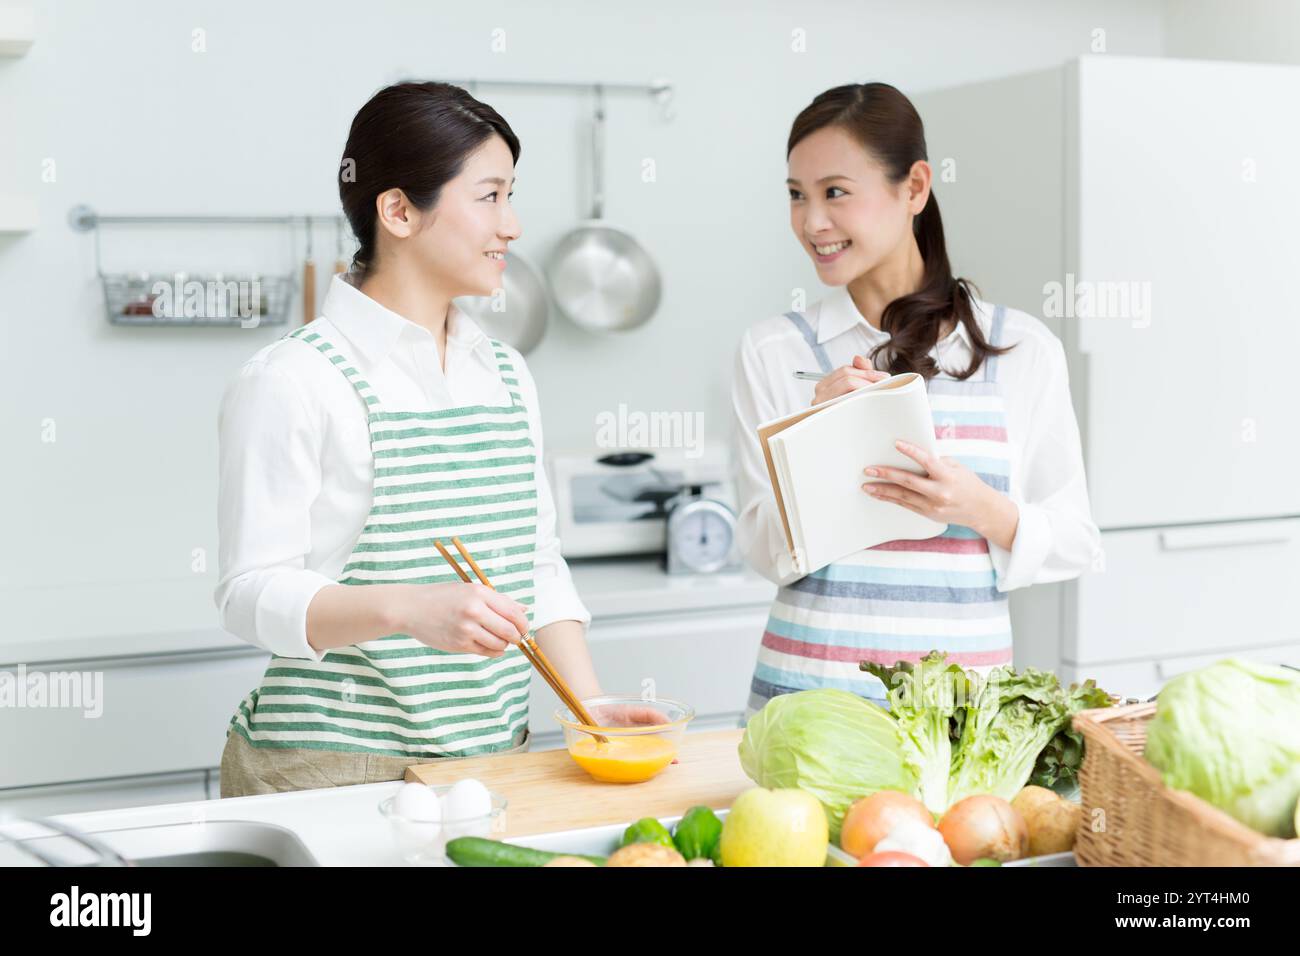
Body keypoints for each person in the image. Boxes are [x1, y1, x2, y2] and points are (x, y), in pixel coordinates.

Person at [215, 82, 657, 797]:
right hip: (331, 772)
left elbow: (535, 565)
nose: (512, 225)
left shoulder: (507, 373)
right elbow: (248, 592)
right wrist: (408, 607)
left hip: (491, 765)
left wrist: (591, 707)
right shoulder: (294, 378)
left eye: (511, 194)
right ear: (397, 210)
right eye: (489, 197)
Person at [732, 83, 1102, 720]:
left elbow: (1075, 540)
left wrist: (980, 508)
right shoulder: (772, 351)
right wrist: (815, 440)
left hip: (961, 720)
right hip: (809, 708)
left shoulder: (1021, 350)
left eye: (835, 192)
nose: (812, 221)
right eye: (797, 195)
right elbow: (765, 553)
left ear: (915, 187)